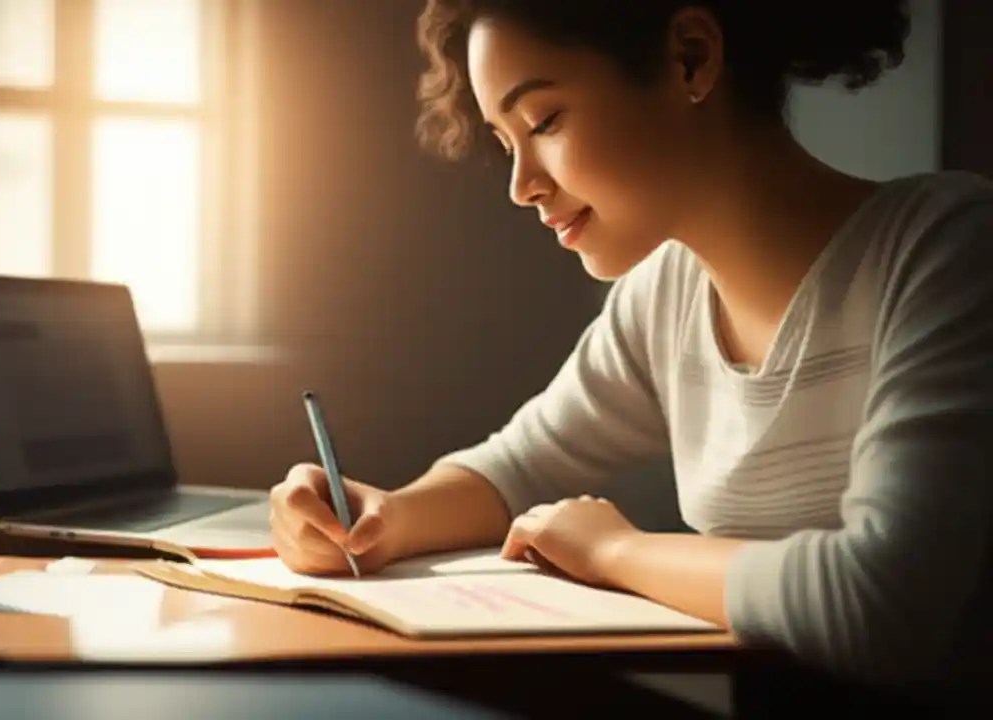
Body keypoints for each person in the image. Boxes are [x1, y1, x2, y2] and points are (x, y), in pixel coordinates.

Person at [267, 0, 993, 697]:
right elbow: (520, 466)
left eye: (543, 120)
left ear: (690, 60)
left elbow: (884, 603)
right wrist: (383, 519)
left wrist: (616, 551)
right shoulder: (666, 293)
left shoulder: (947, 251)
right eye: (504, 143)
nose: (521, 186)